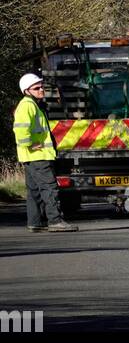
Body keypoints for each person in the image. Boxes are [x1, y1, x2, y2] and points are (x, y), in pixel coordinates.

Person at [13, 73, 78, 233]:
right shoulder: (27, 105)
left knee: (34, 190)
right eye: (36, 88)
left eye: (41, 86)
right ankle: (55, 220)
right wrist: (29, 144)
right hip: (38, 156)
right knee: (49, 188)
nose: (41, 89)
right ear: (27, 91)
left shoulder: (33, 105)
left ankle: (35, 222)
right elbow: (20, 129)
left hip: (33, 156)